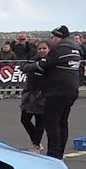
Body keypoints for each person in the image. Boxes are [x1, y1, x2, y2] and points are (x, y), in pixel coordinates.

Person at [24, 26, 81, 159]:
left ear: (58, 37)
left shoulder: (61, 48)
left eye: (52, 37)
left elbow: (44, 64)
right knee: (62, 122)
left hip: (57, 91)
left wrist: (27, 67)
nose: (51, 40)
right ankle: (59, 154)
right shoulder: (75, 48)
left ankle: (53, 155)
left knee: (52, 123)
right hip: (71, 89)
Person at [19, 41, 48, 152]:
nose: (42, 51)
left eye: (44, 48)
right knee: (24, 119)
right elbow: (24, 67)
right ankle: (36, 141)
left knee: (40, 120)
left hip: (43, 94)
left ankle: (36, 145)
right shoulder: (33, 60)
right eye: (40, 48)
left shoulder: (51, 62)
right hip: (30, 92)